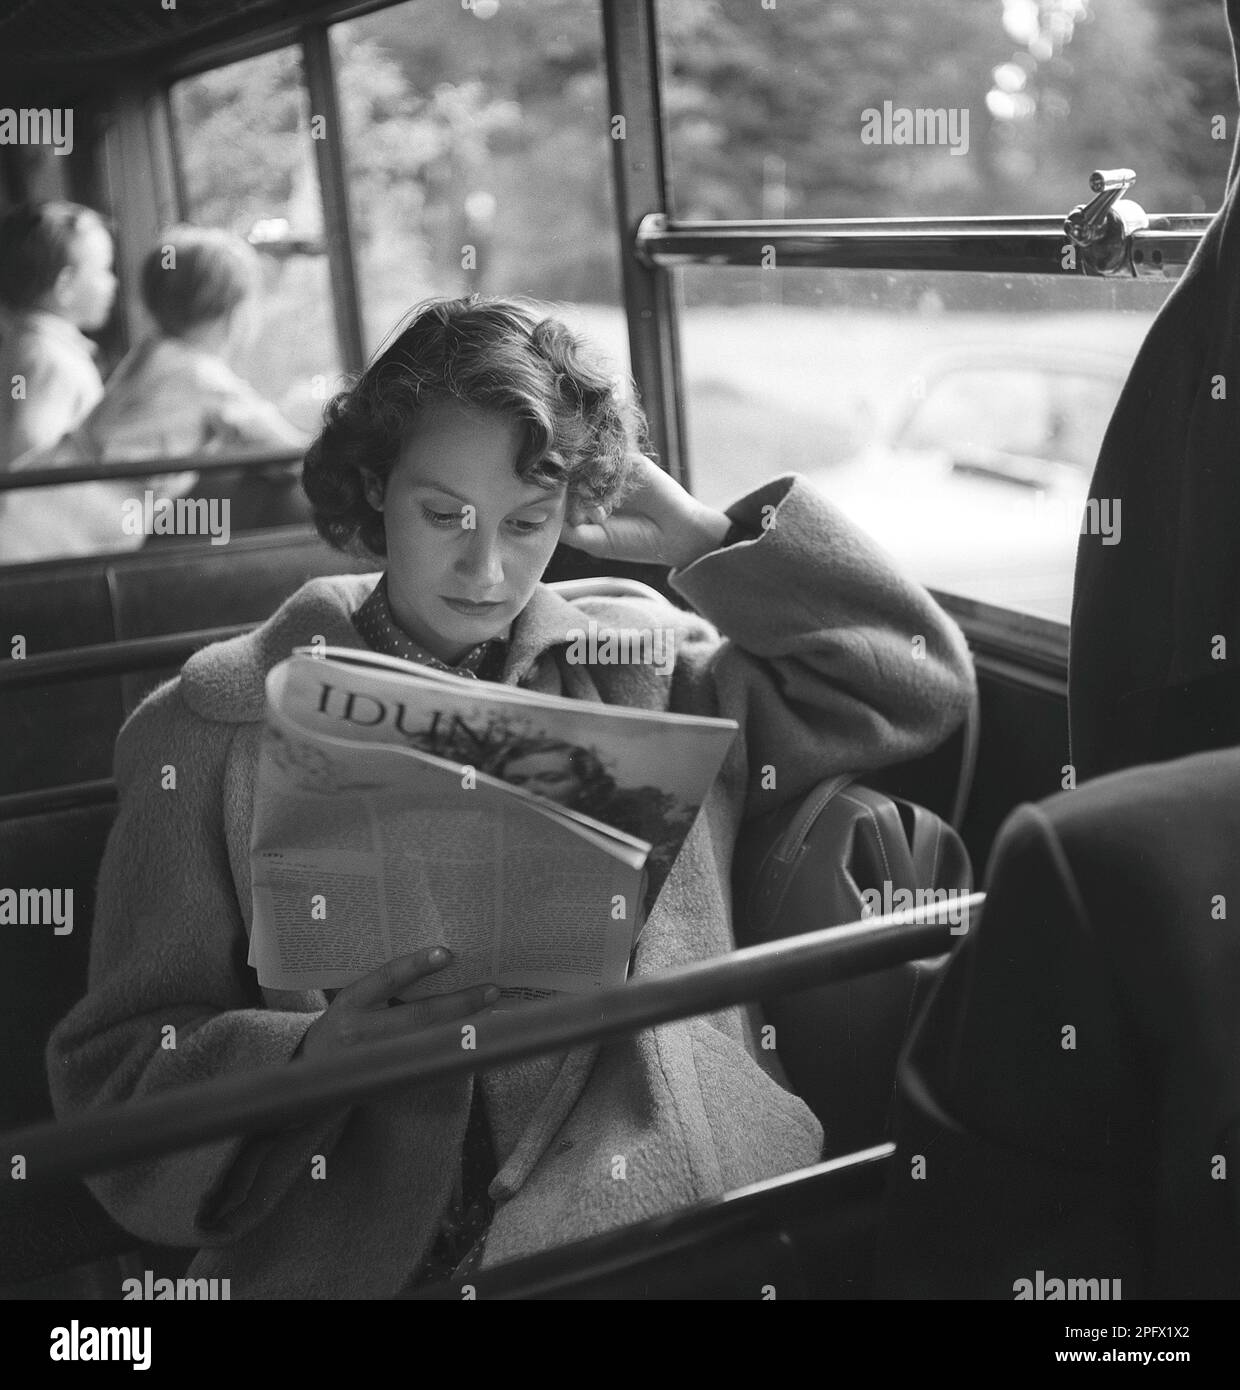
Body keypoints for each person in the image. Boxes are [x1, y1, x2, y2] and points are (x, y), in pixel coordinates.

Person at [46, 294, 977, 1298]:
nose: (485, 568)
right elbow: (122, 1071)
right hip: (364, 1232)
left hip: (659, 1184)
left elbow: (912, 684)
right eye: (443, 514)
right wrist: (308, 1053)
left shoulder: (640, 663)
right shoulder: (212, 723)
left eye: (528, 522)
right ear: (374, 487)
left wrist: (697, 537)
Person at [0, 225, 306, 562]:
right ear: (238, 314)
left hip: (31, 503)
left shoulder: (150, 352)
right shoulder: (204, 380)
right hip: (66, 530)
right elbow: (288, 450)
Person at [0, 201, 116, 469]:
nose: (113, 283)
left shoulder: (24, 346)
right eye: (104, 270)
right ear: (65, 286)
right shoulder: (49, 360)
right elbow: (31, 464)